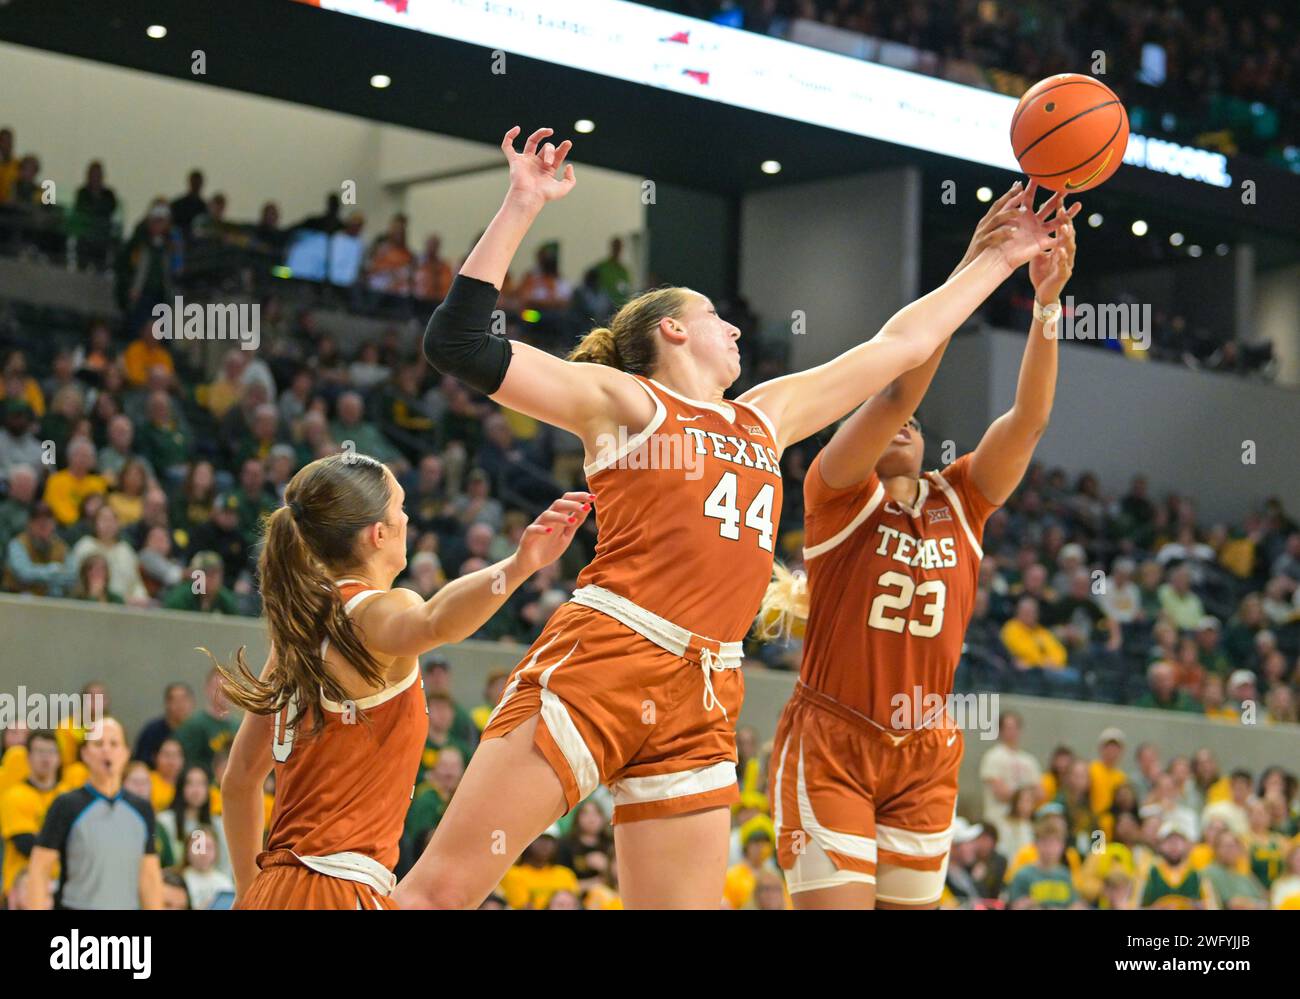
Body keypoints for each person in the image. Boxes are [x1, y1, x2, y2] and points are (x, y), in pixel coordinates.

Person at [396, 129, 1068, 910]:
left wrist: (998, 259)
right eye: (717, 317)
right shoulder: (624, 402)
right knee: (442, 891)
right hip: (613, 651)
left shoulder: (765, 416)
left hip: (709, 686)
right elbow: (459, 343)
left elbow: (900, 345)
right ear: (672, 329)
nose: (738, 328)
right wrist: (522, 203)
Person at [758, 183, 1078, 908]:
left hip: (926, 749)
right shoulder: (836, 491)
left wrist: (1048, 303)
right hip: (833, 741)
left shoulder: (960, 498)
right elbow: (895, 392)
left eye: (919, 423)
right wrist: (978, 260)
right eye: (891, 421)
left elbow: (1028, 420)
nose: (905, 423)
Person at [218, 452, 591, 908]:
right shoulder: (374, 614)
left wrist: (246, 891)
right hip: (337, 889)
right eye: (400, 508)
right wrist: (517, 566)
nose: (408, 517)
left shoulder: (296, 633)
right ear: (378, 534)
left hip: (274, 890)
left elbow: (239, 780)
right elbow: (435, 621)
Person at [23, 719, 162, 910]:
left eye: (114, 744)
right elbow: (39, 869)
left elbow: (150, 876)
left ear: (126, 753)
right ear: (85, 753)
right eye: (98, 744)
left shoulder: (142, 809)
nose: (106, 750)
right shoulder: (66, 805)